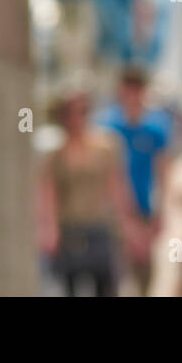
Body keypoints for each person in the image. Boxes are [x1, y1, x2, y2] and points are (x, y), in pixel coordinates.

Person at [39, 91, 133, 296]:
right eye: (71, 113)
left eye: (81, 112)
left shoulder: (105, 146)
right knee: (70, 286)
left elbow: (117, 186)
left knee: (106, 286)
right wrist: (49, 228)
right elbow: (49, 192)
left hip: (100, 224)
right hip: (71, 226)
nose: (76, 118)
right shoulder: (56, 153)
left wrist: (126, 223)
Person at [97, 67, 173, 294]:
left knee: (144, 271)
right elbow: (108, 176)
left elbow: (163, 171)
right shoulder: (106, 126)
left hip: (144, 206)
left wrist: (162, 210)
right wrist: (123, 219)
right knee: (114, 272)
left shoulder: (156, 126)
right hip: (112, 211)